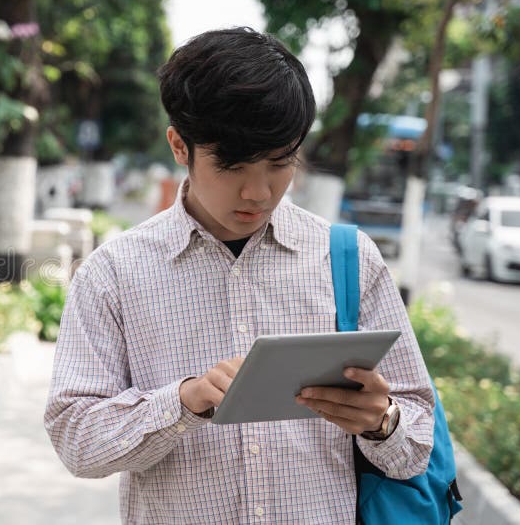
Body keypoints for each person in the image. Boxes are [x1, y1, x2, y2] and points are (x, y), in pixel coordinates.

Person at [44, 27, 434, 524]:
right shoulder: (115, 272)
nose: (258, 192)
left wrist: (382, 422)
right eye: (232, 165)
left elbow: (417, 445)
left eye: (279, 162)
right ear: (179, 146)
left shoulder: (349, 258)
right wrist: (183, 402)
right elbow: (76, 440)